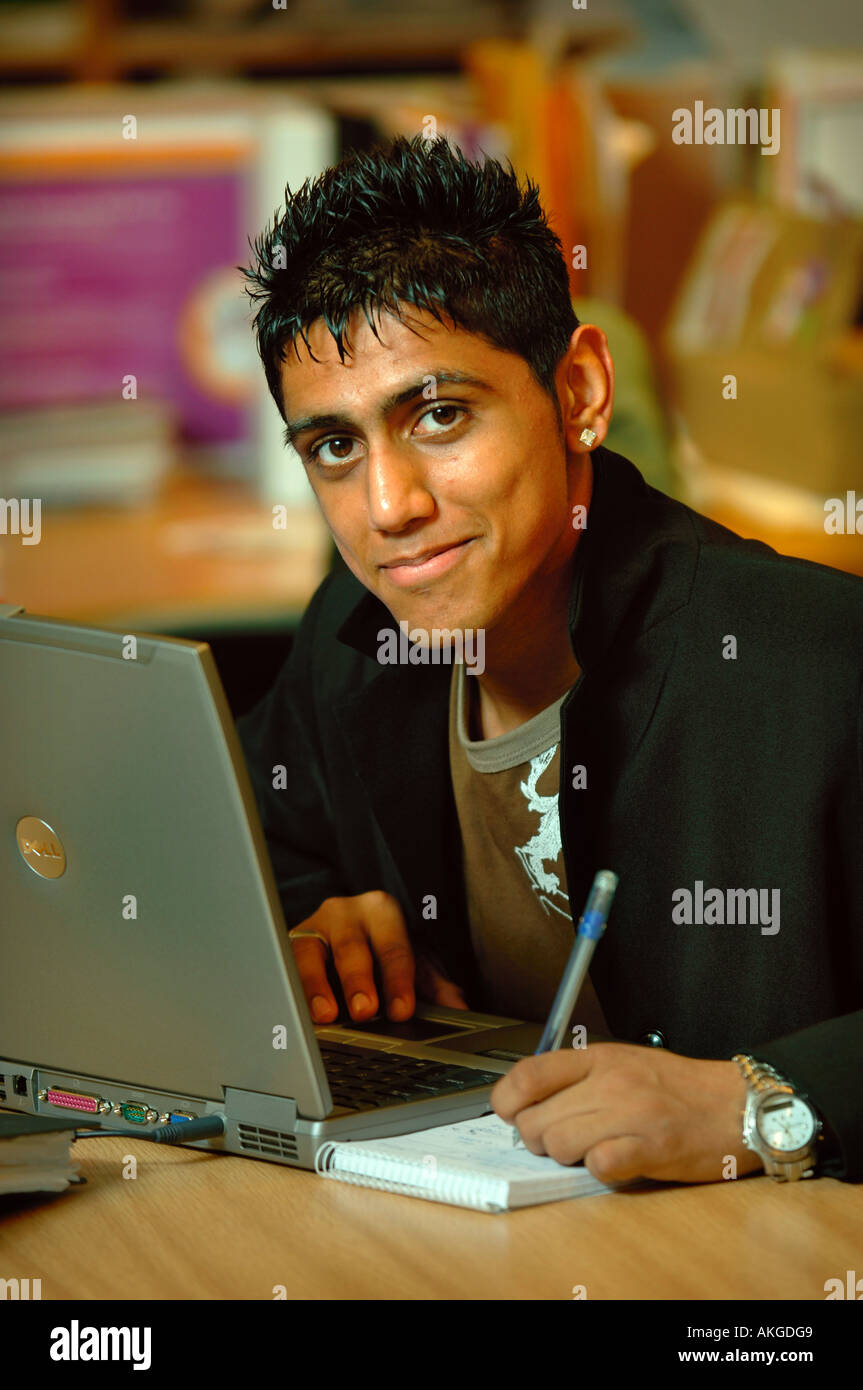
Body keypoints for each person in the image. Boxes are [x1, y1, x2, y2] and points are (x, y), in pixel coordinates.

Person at [237, 134, 863, 1187]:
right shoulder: (351, 639)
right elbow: (257, 831)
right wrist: (312, 920)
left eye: (438, 415)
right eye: (334, 448)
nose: (388, 507)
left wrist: (766, 1100)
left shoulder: (809, 660)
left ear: (576, 392)